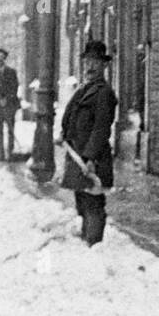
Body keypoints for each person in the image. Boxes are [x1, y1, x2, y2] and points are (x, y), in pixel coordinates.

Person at [58, 40, 118, 246]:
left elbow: (101, 128)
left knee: (93, 202)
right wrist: (64, 133)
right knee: (82, 202)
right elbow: (72, 116)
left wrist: (90, 158)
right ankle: (87, 241)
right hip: (77, 155)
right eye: (88, 61)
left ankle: (94, 244)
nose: (91, 66)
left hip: (92, 159)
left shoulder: (104, 93)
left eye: (96, 62)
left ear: (104, 66)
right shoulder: (84, 90)